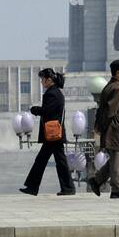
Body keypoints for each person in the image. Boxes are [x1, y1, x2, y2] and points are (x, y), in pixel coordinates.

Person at [20, 68, 76, 197]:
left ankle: (33, 187)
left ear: (49, 80)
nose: (41, 82)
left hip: (52, 134)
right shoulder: (56, 92)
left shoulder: (52, 94)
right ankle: (67, 187)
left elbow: (47, 111)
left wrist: (35, 110)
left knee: (43, 160)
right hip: (54, 134)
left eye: (42, 79)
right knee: (57, 161)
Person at [88, 59, 119, 200]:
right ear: (118, 72)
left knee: (116, 160)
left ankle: (96, 181)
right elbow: (109, 112)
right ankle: (116, 189)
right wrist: (102, 128)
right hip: (115, 131)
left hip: (114, 130)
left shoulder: (110, 87)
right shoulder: (116, 89)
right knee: (117, 161)